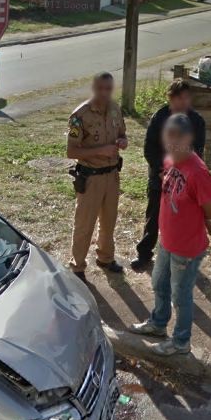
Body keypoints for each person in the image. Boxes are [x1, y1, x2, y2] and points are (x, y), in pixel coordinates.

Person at [130, 114, 211, 356]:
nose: (171, 144)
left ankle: (181, 342)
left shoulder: (198, 171)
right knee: (159, 283)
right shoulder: (171, 161)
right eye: (168, 138)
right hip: (167, 240)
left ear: (189, 139)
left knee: (181, 296)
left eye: (177, 138)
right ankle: (158, 324)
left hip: (187, 247)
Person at [131, 78, 206, 272]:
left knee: (181, 221)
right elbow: (149, 148)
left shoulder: (196, 121)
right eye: (179, 98)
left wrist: (178, 173)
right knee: (153, 217)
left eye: (187, 98)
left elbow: (197, 152)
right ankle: (145, 254)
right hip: (159, 178)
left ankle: (181, 259)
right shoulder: (160, 117)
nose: (184, 102)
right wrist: (160, 170)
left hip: (183, 182)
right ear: (170, 98)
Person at [66, 71, 129, 280]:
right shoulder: (80, 115)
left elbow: (122, 133)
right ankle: (77, 267)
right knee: (85, 224)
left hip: (112, 175)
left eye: (108, 89)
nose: (104, 93)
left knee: (109, 221)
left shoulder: (114, 109)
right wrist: (100, 151)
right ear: (93, 88)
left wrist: (123, 141)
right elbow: (71, 152)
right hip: (90, 177)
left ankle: (105, 257)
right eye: (100, 88)